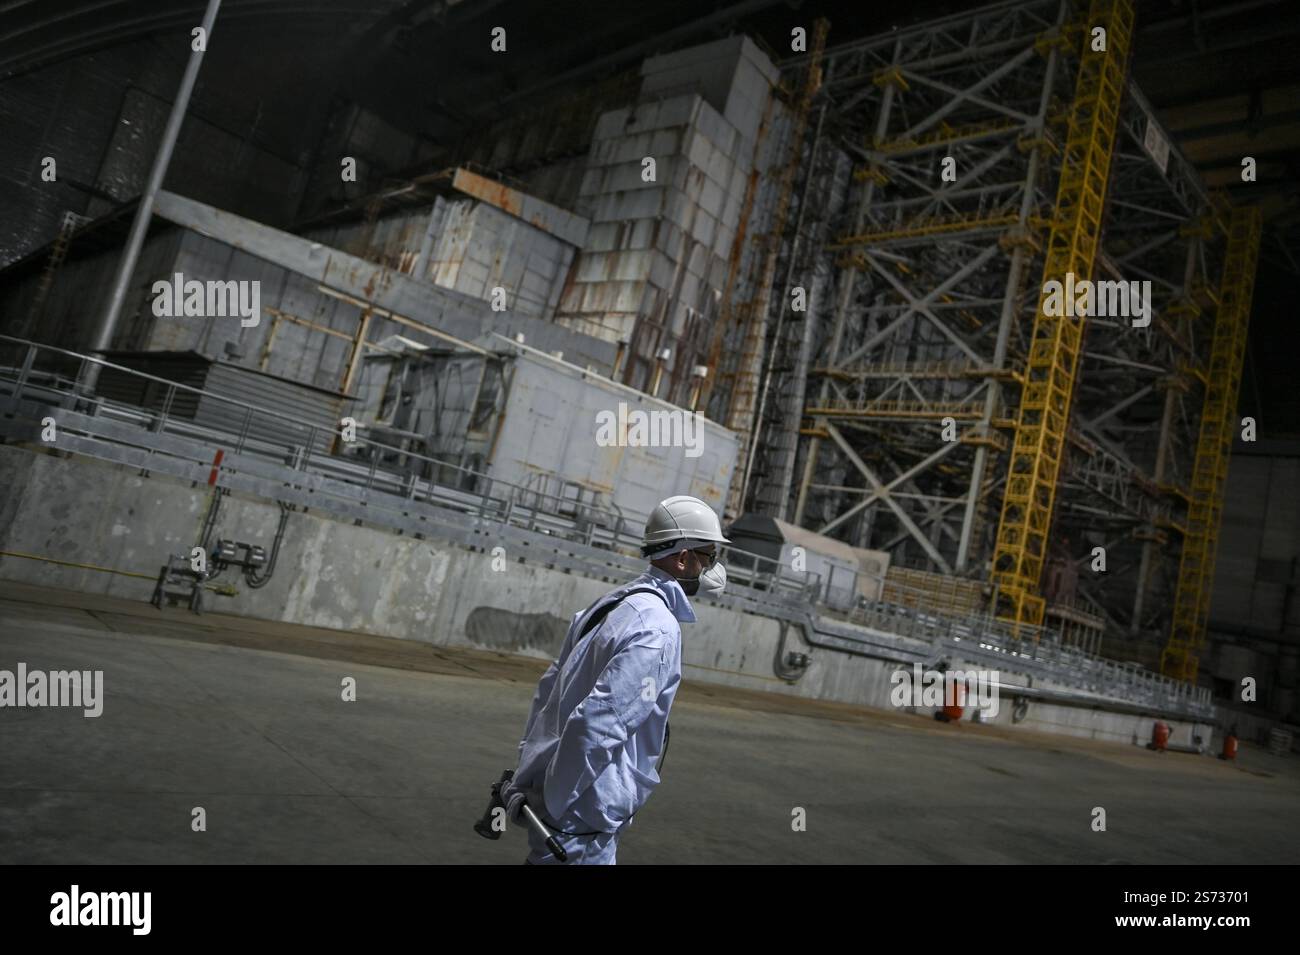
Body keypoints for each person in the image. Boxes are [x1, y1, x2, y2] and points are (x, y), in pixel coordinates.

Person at [500, 494, 729, 864]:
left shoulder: (613, 604)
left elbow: (549, 692)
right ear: (683, 558)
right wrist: (557, 805)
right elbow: (599, 722)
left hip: (564, 805)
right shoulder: (658, 630)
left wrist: (528, 777)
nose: (711, 568)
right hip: (580, 816)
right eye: (708, 557)